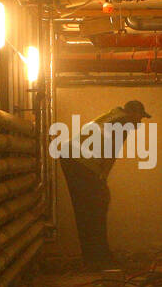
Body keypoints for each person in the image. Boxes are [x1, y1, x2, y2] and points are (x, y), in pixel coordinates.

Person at [59, 99, 152, 270]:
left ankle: (94, 257)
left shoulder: (114, 115)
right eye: (140, 118)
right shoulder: (125, 122)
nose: (140, 123)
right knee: (94, 208)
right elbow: (112, 150)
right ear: (134, 113)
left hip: (72, 158)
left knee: (87, 209)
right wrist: (103, 179)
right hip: (79, 162)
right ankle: (98, 259)